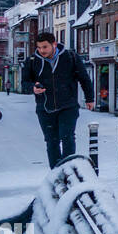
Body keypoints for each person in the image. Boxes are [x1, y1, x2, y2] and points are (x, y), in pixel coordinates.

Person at [21, 31, 94, 168]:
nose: (42, 50)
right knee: (51, 142)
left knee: (67, 137)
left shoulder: (70, 57)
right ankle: (56, 173)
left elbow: (84, 78)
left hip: (68, 105)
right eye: (39, 47)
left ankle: (69, 170)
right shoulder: (32, 61)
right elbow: (24, 83)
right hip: (45, 108)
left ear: (54, 44)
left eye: (45, 47)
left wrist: (90, 98)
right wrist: (33, 88)